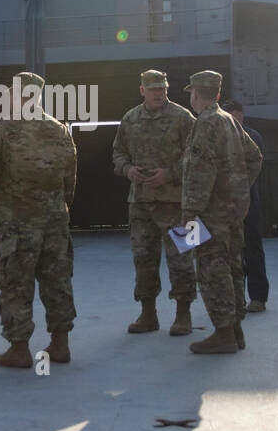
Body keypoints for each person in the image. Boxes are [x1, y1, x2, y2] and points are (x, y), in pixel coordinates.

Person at [0, 72, 78, 368]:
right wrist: (61, 208)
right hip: (55, 219)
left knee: (16, 282)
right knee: (57, 280)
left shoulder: (4, 130)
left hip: (17, 221)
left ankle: (19, 349)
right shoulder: (59, 129)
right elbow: (70, 179)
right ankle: (60, 345)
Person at [180, 71, 261, 355]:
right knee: (233, 268)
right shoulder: (229, 120)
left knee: (211, 269)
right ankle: (235, 331)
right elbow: (254, 158)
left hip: (209, 214)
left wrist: (189, 213)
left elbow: (200, 173)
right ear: (216, 93)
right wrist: (237, 189)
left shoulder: (206, 123)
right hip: (234, 212)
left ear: (194, 94)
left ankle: (224, 333)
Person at [111, 68, 197, 336]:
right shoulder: (130, 118)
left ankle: (184, 315)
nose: (159, 93)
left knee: (183, 258)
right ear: (142, 91)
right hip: (141, 204)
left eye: (163, 88)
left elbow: (197, 157)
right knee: (143, 260)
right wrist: (128, 170)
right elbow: (118, 153)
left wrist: (170, 174)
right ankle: (148, 315)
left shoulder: (184, 118)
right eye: (154, 89)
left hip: (178, 205)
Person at [220, 99, 269, 313]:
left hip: (248, 200)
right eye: (229, 115)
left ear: (241, 115)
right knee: (230, 251)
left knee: (252, 248)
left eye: (236, 114)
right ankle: (235, 298)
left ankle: (258, 298)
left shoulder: (253, 136)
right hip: (225, 202)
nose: (234, 119)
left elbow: (254, 165)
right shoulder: (220, 136)